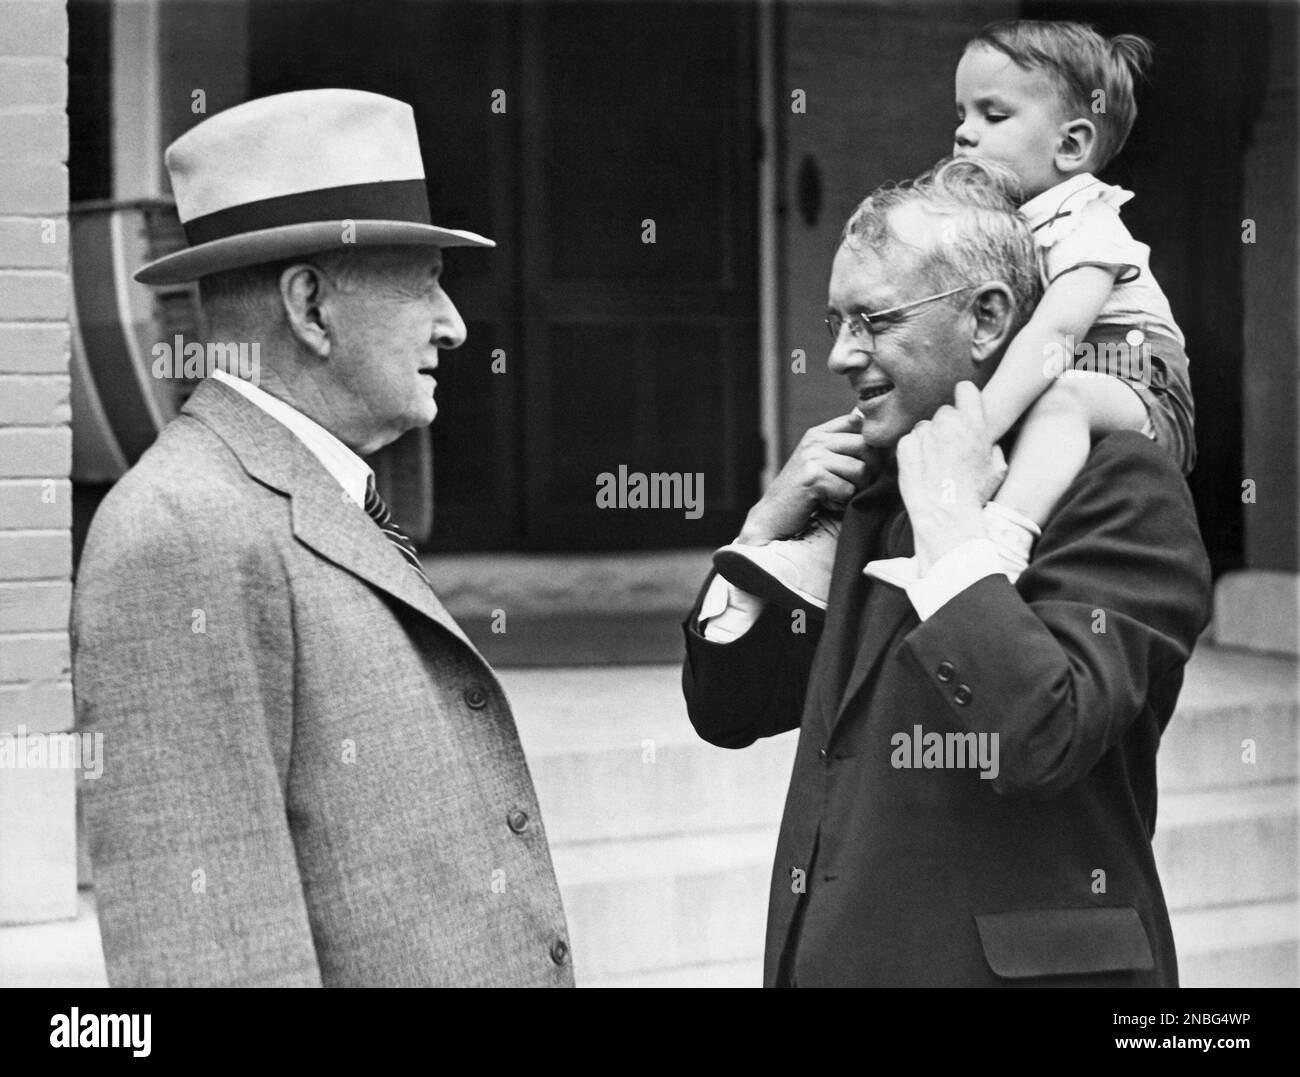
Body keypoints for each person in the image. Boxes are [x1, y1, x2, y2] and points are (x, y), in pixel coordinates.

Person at [73, 89, 573, 987]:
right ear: (310, 307)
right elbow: (212, 954)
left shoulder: (305, 496)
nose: (454, 325)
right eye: (423, 284)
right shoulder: (181, 530)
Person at [681, 156, 1211, 987]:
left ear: (989, 319)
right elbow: (730, 708)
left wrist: (957, 537)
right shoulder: (869, 492)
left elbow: (1042, 737)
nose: (839, 357)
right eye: (833, 324)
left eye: (873, 320)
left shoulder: (1121, 484)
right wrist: (759, 538)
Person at [715, 19, 1194, 608]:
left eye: (993, 117)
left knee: (1055, 398)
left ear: (1071, 145)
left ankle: (1003, 542)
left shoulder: (1088, 220)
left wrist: (974, 429)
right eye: (961, 115)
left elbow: (1055, 335)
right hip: (1063, 377)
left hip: (1139, 381)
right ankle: (821, 552)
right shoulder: (1007, 221)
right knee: (912, 407)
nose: (966, 134)